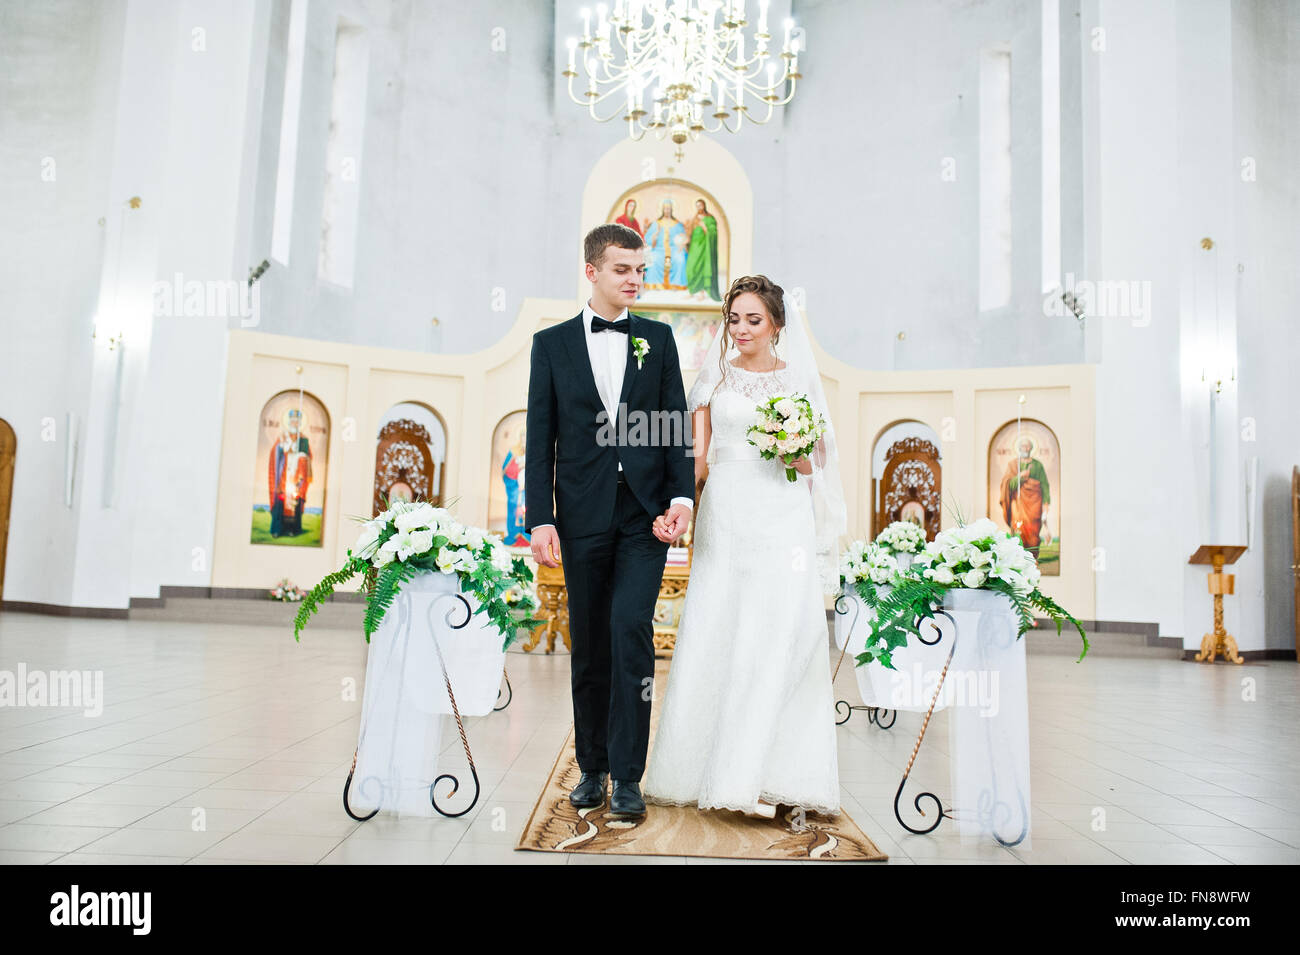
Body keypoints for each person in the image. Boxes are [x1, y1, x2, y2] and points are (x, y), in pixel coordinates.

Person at [642, 275, 847, 820]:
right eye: (734, 319)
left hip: (783, 517)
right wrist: (677, 507)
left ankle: (773, 772)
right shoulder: (715, 377)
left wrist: (793, 448)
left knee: (780, 632)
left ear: (777, 324)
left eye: (753, 319)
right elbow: (698, 458)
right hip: (728, 513)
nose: (741, 329)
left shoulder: (799, 381)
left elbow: (814, 464)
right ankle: (704, 769)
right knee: (721, 626)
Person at [525, 224, 696, 818]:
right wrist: (540, 519)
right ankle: (592, 766)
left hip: (645, 516)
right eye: (623, 270)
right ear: (592, 271)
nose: (635, 280)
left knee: (630, 630)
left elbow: (675, 423)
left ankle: (629, 775)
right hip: (580, 515)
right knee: (590, 640)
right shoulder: (551, 346)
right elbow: (539, 438)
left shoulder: (659, 338)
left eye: (640, 270)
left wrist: (681, 499)